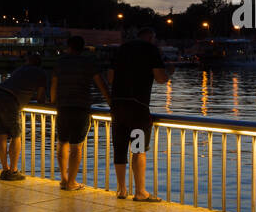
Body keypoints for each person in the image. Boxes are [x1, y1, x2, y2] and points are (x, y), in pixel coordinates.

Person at [106, 27, 172, 201]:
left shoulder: (121, 49)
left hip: (118, 106)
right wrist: (169, 73)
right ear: (150, 36)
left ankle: (121, 190)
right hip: (138, 108)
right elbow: (159, 77)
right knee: (138, 149)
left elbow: (110, 78)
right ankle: (140, 192)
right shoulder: (151, 50)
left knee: (119, 149)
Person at [51, 36, 110, 191]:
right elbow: (101, 84)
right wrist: (111, 103)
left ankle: (63, 179)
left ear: (69, 47)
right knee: (76, 146)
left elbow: (54, 83)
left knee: (62, 142)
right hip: (81, 107)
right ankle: (71, 182)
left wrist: (52, 100)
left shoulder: (61, 62)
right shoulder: (88, 63)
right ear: (82, 47)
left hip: (62, 106)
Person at [0, 52, 50, 181]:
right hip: (10, 99)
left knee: (1, 134)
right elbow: (40, 98)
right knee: (16, 135)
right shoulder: (41, 73)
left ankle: (5, 169)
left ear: (28, 61)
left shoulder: (19, 69)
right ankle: (13, 170)